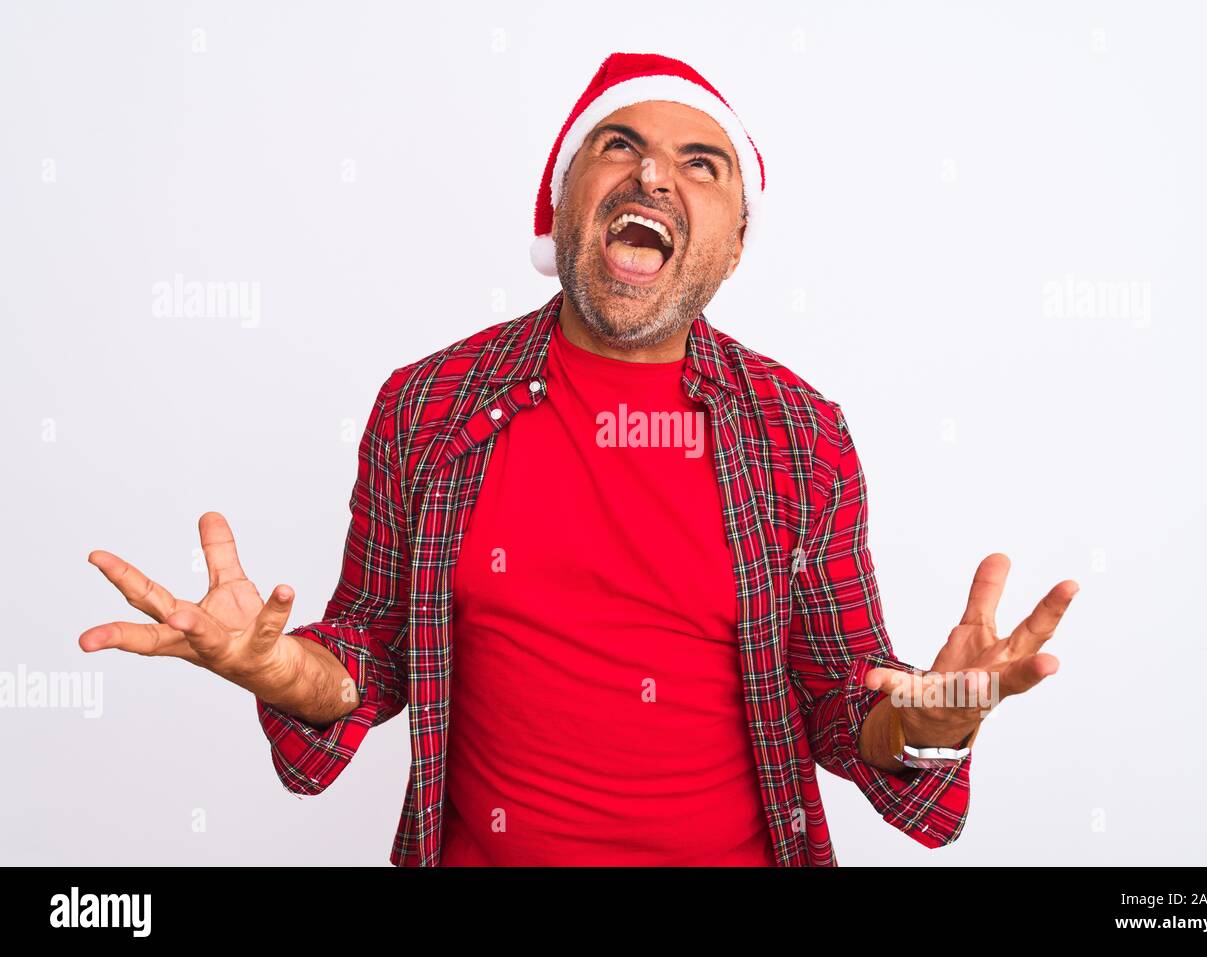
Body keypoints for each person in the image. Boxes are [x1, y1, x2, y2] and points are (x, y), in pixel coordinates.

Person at [80, 52, 1078, 867]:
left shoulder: (800, 433)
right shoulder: (426, 407)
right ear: (562, 207)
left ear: (732, 244)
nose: (654, 175)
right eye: (621, 145)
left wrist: (928, 722)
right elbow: (371, 655)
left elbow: (834, 700)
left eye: (701, 163)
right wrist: (282, 671)